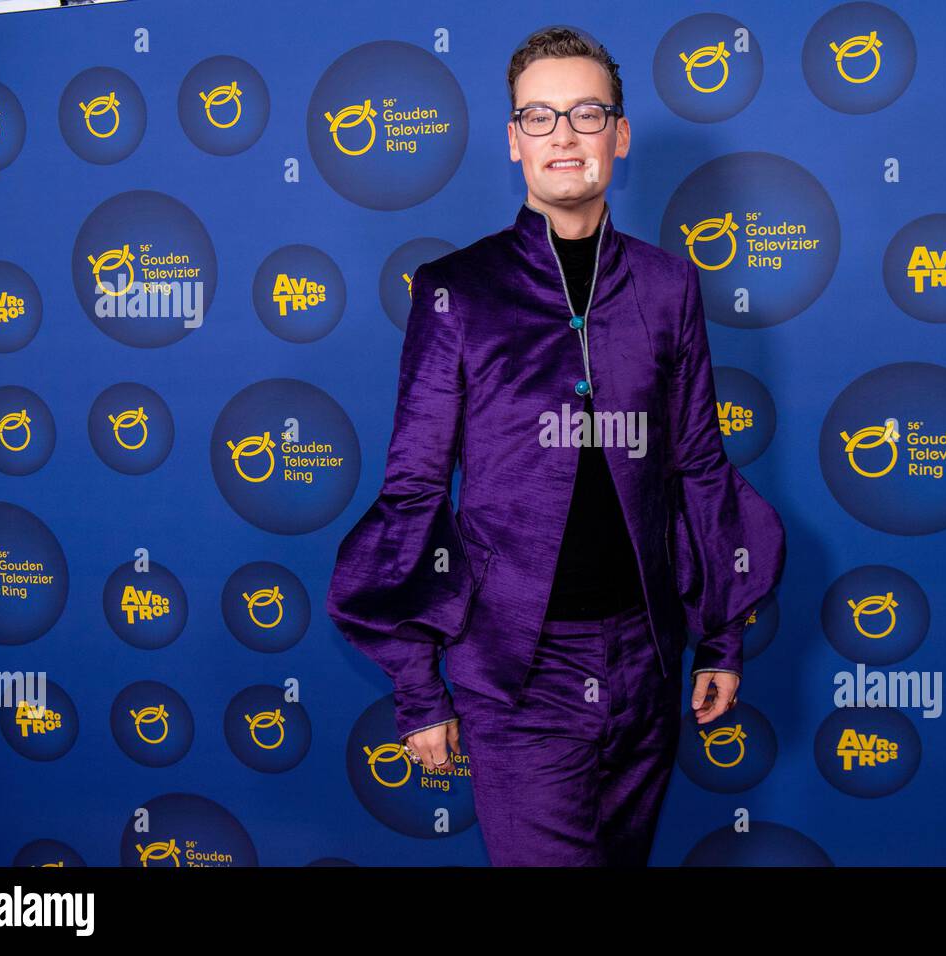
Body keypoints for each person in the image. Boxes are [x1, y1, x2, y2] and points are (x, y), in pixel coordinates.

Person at [326, 26, 786, 866]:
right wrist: (419, 687)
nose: (564, 135)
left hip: (646, 659)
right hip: (516, 672)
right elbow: (414, 491)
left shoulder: (669, 284)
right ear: (513, 141)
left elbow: (698, 468)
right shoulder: (455, 292)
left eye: (585, 112)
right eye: (539, 117)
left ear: (620, 133)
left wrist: (719, 637)